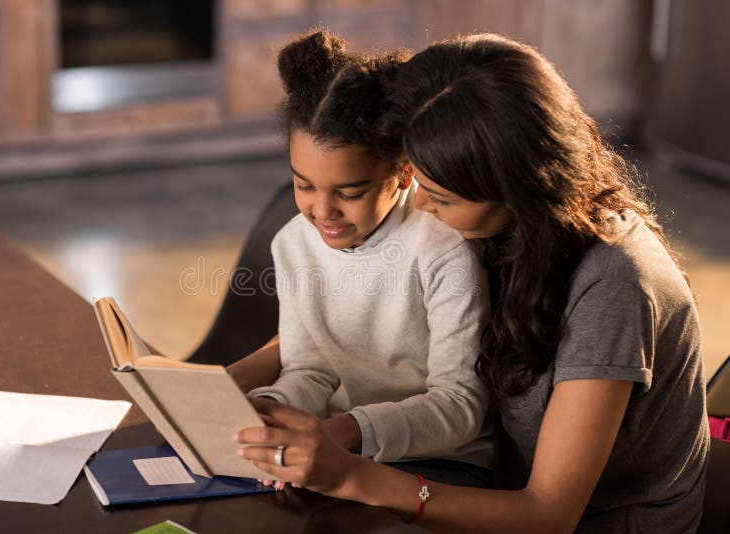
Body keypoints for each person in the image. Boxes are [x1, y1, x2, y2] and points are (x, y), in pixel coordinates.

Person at [236, 33, 709, 532]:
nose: (419, 207)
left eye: (438, 195)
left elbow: (548, 515)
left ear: (515, 185)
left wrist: (352, 475)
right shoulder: (499, 224)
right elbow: (340, 329)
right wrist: (224, 387)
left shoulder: (613, 283)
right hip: (489, 490)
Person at [232, 29, 494, 489]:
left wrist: (345, 433)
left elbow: (459, 406)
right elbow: (310, 368)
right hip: (341, 444)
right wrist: (270, 411)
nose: (322, 211)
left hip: (443, 465)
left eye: (349, 193)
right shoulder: (294, 244)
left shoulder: (443, 249)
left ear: (404, 171)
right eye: (303, 185)